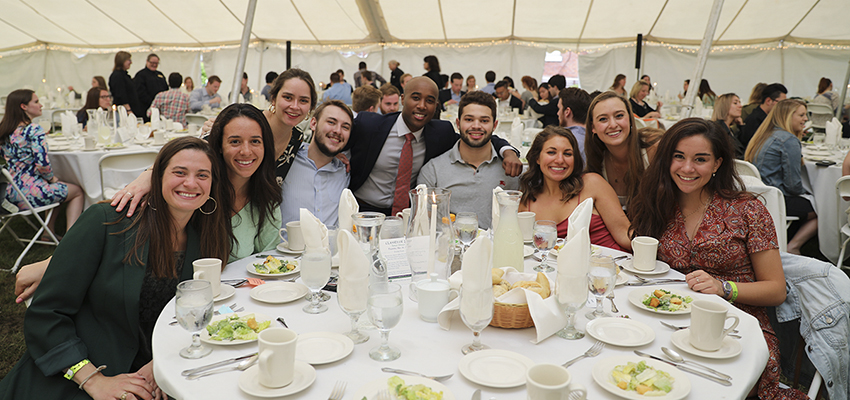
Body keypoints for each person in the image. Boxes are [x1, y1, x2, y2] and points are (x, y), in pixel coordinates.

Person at [0, 136, 230, 400]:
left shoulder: (206, 238)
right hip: (85, 370)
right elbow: (47, 313)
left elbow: (201, 311)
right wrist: (92, 379)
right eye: (179, 172)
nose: (191, 183)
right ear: (157, 178)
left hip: (153, 371)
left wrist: (163, 362)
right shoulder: (106, 223)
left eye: (203, 175)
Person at [629, 118, 807, 400]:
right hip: (670, 319)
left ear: (717, 164)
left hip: (737, 326)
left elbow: (776, 289)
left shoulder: (747, 210)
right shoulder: (657, 203)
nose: (687, 168)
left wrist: (723, 287)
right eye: (679, 157)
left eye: (700, 159)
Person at [346, 76, 522, 216]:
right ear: (402, 99)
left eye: (429, 101)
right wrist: (337, 154)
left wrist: (508, 151)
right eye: (415, 98)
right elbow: (335, 135)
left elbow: (476, 135)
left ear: (436, 106)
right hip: (363, 209)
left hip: (409, 213)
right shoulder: (369, 124)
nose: (422, 106)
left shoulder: (440, 132)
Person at [418, 91, 520, 229]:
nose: (476, 126)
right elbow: (424, 224)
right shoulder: (433, 170)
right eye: (469, 119)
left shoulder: (512, 169)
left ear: (494, 125)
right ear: (458, 123)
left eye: (484, 120)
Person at [518, 126, 630, 250]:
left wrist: (652, 247)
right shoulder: (525, 201)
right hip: (558, 268)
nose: (560, 160)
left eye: (567, 154)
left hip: (611, 264)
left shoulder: (592, 184)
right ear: (537, 158)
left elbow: (625, 234)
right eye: (551, 152)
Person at [1, 89, 84, 236]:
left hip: (8, 193)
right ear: (23, 106)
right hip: (29, 194)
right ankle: (71, 239)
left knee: (54, 187)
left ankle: (47, 233)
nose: (40, 105)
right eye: (36, 101)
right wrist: (51, 178)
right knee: (77, 191)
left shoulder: (5, 130)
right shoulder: (33, 129)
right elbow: (43, 165)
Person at [205, 104, 281, 260]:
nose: (246, 151)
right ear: (220, 146)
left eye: (255, 141)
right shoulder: (202, 191)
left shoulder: (266, 197)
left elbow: (267, 260)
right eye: (235, 142)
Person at [745, 99, 816, 255]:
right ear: (788, 116)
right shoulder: (788, 140)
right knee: (821, 210)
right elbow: (793, 186)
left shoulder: (765, 134)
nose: (806, 119)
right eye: (801, 115)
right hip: (775, 199)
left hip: (755, 195)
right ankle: (793, 246)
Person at [280, 100, 352, 227]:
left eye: (345, 127)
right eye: (331, 122)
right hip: (285, 245)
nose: (338, 131)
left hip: (330, 246)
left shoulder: (344, 170)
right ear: (313, 123)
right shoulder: (285, 160)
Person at [585, 91, 659, 209]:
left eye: (619, 116)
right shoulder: (597, 161)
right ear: (593, 127)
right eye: (603, 119)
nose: (613, 125)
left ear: (630, 119)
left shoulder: (653, 149)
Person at [740, 83, 787, 149]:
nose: (783, 107)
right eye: (781, 103)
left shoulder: (768, 118)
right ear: (768, 101)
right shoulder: (755, 120)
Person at [557, 87, 591, 160]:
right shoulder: (594, 137)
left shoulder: (563, 141)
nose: (558, 113)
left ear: (567, 112)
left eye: (559, 109)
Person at [133, 53, 168, 123]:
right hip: (146, 109)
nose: (154, 65)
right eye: (152, 62)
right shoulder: (140, 75)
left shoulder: (160, 74)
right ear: (147, 61)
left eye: (156, 63)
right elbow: (140, 93)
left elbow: (166, 90)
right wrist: (154, 103)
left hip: (160, 110)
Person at [712, 93, 745, 159]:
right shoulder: (719, 129)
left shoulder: (729, 129)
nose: (740, 106)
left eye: (739, 103)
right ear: (724, 106)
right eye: (735, 103)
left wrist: (741, 126)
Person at [108, 51, 141, 116]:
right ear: (122, 61)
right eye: (129, 60)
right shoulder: (117, 76)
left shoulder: (124, 75)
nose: (131, 62)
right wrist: (128, 110)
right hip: (124, 111)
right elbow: (120, 94)